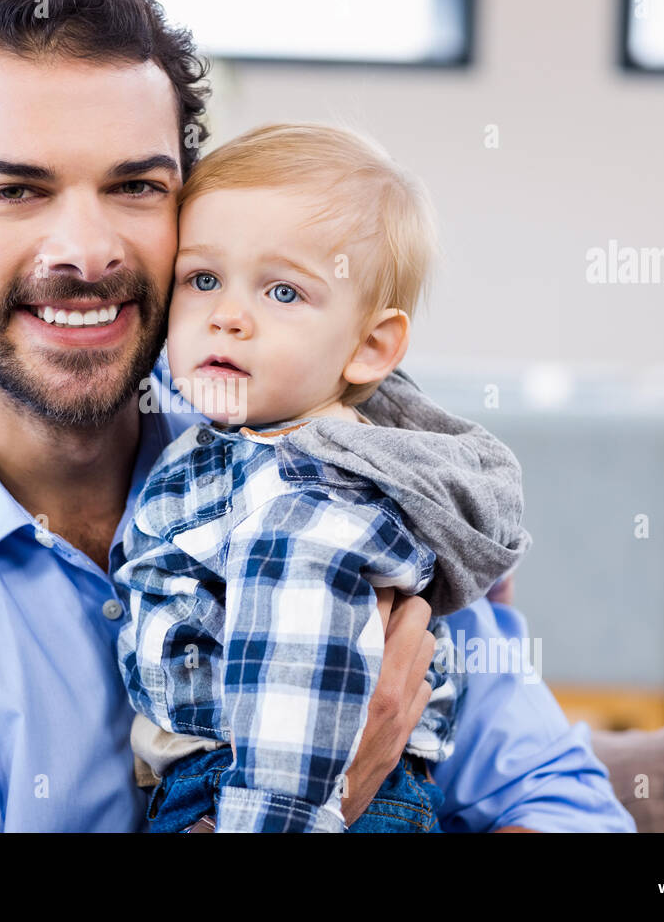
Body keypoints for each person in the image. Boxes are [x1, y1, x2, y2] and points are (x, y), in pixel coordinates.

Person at [0, 0, 635, 833]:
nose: (87, 252)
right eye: (15, 191)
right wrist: (334, 796)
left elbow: (562, 807)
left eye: (136, 186)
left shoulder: (341, 468)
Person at [115, 123, 533, 832]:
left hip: (267, 794)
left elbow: (295, 705)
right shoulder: (242, 443)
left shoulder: (305, 497)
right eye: (203, 279)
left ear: (371, 347)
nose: (228, 317)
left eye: (282, 292)